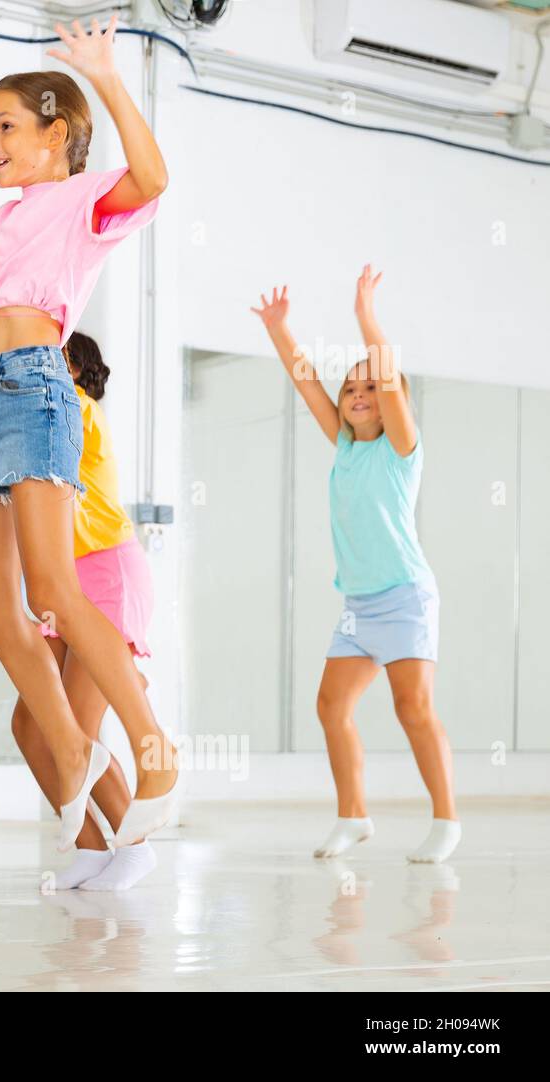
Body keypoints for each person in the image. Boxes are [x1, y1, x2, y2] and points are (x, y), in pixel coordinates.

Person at [0, 15, 175, 851]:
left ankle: (156, 752)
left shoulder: (80, 202)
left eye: (5, 127)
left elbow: (151, 178)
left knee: (52, 589)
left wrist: (110, 79)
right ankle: (75, 750)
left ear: (58, 135)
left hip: (34, 388)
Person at [252, 266, 459, 863]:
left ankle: (446, 820)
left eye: (371, 389)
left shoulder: (401, 452)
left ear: (393, 403)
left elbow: (387, 374)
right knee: (331, 706)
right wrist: (279, 329)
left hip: (405, 597)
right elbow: (306, 382)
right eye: (352, 390)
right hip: (359, 605)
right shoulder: (344, 444)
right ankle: (353, 815)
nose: (359, 395)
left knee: (411, 707)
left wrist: (366, 318)